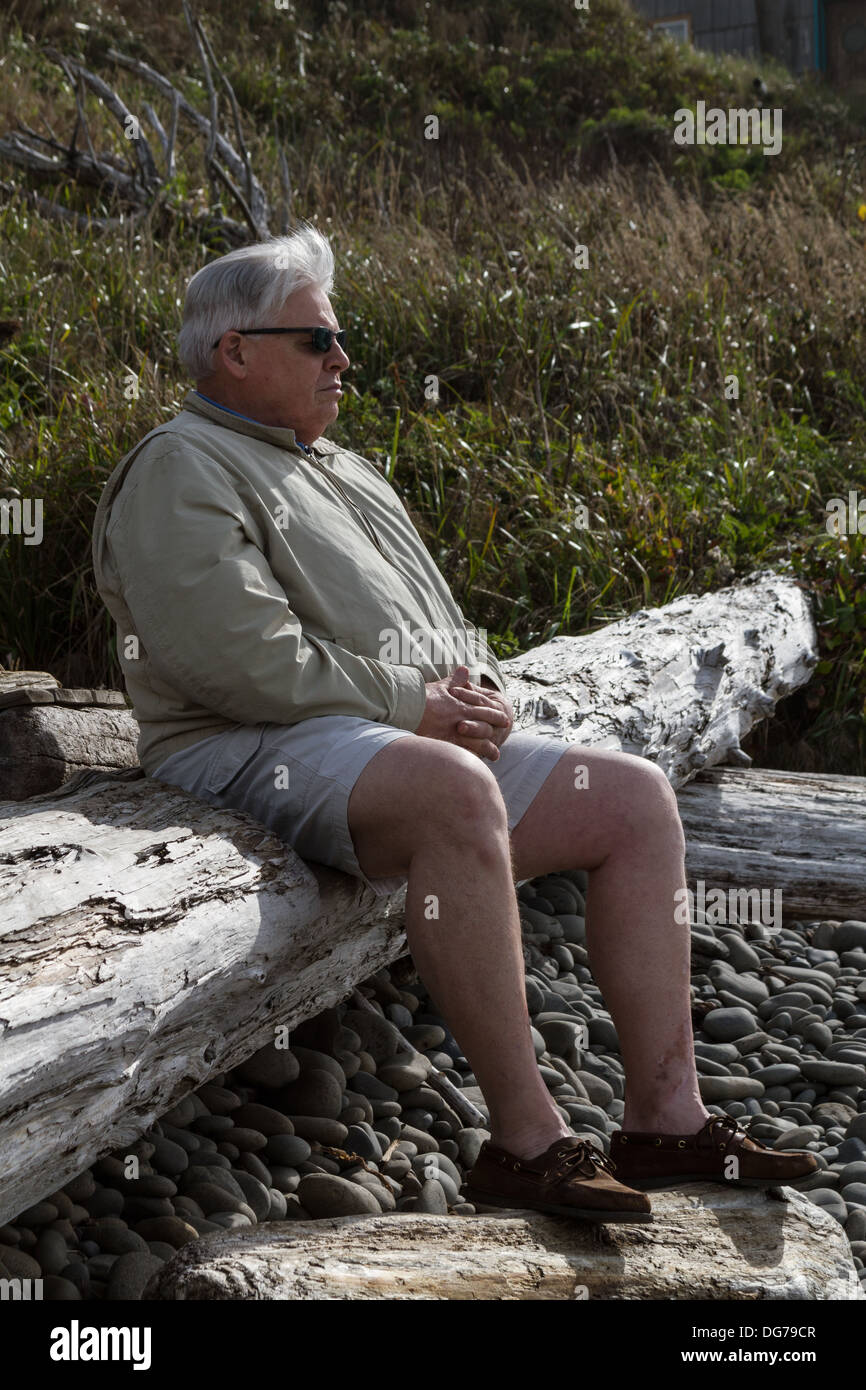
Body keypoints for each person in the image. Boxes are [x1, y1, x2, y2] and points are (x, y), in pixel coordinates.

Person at [91, 223, 818, 1223]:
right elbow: (236, 662)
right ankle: (526, 1139)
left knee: (630, 798)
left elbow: (433, 620)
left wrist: (473, 693)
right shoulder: (182, 465)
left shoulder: (336, 466)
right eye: (317, 341)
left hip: (375, 734)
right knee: (454, 791)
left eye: (339, 340)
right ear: (235, 351)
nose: (342, 359)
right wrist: (415, 709)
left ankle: (664, 1120)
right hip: (240, 742)